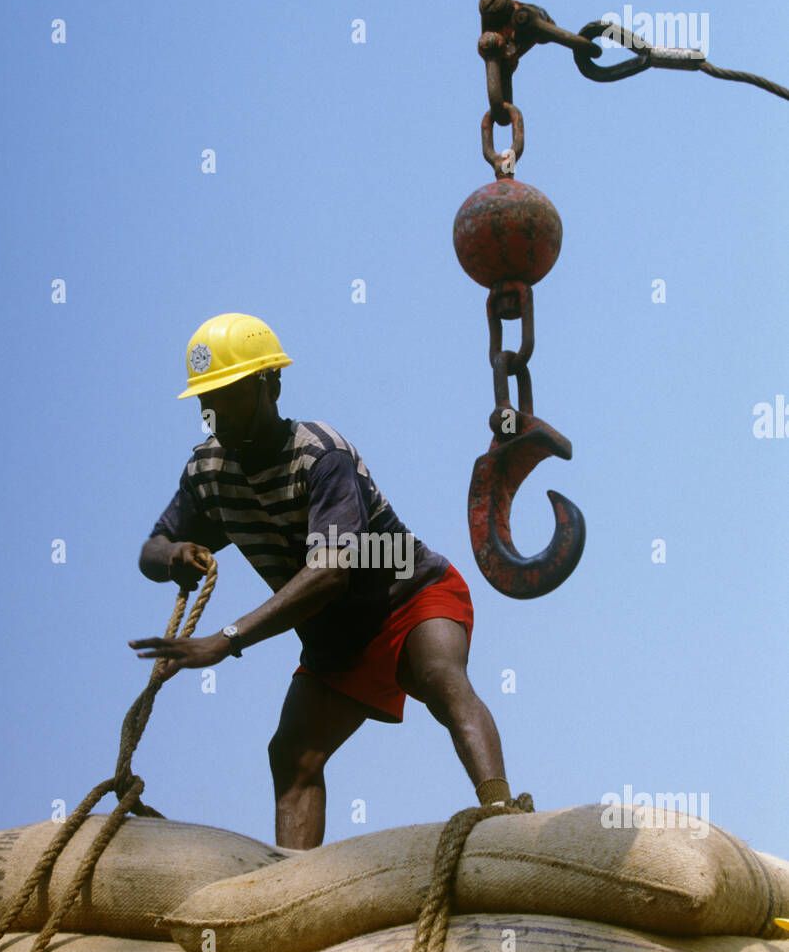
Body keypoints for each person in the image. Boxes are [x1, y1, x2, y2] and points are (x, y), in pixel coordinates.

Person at [131, 313, 529, 849]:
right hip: (335, 640)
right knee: (292, 755)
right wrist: (174, 553)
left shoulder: (321, 454)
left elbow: (331, 571)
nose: (217, 413)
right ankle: (294, 887)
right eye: (209, 400)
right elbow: (151, 549)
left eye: (231, 394)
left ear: (270, 383)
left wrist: (225, 640)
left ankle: (502, 812)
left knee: (440, 677)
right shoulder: (208, 473)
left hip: (410, 595)